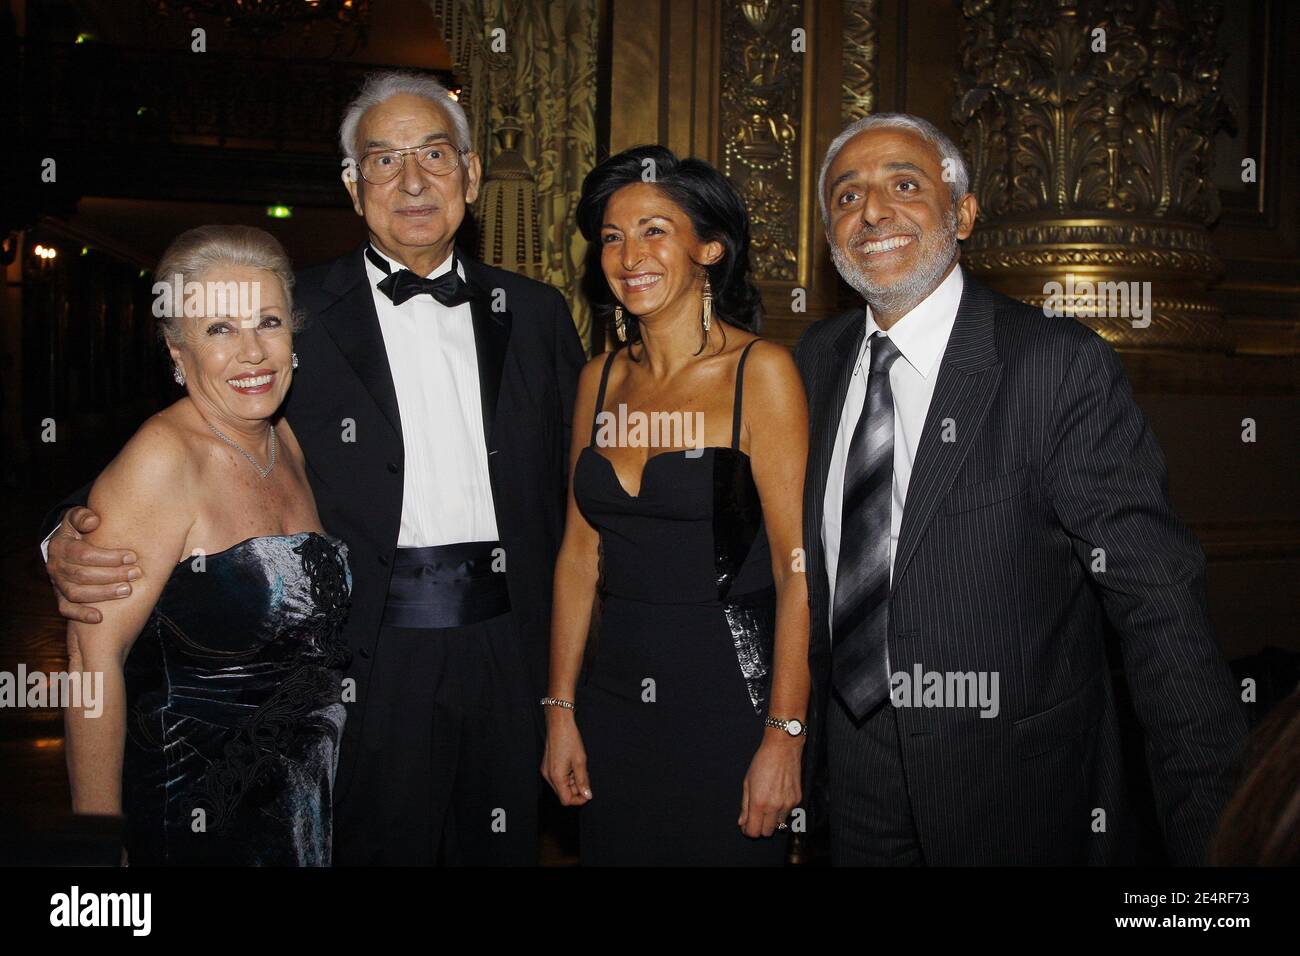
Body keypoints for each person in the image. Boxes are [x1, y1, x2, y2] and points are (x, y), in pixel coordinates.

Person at [44, 70, 586, 865]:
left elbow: (585, 486)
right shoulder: (291, 313)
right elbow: (187, 444)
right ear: (351, 184)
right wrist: (64, 530)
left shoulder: (538, 315)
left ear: (471, 175)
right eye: (383, 159)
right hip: (367, 656)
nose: (411, 180)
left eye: (435, 154)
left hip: (510, 647)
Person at [797, 113, 1247, 865]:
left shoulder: (1056, 365)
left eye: (904, 185)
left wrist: (1221, 839)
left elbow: (1158, 607)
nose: (871, 212)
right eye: (846, 197)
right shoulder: (811, 362)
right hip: (850, 777)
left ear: (964, 213)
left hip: (1013, 785)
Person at [542, 146, 810, 865]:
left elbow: (797, 569)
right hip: (617, 700)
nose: (629, 254)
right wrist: (561, 709)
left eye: (655, 230)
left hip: (727, 698)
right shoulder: (598, 380)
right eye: (611, 236)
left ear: (710, 248)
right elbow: (576, 555)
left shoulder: (763, 372)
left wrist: (785, 734)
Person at [63, 225, 352, 865]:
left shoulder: (286, 442)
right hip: (196, 816)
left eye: (268, 322)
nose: (253, 352)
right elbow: (91, 662)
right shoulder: (164, 459)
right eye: (219, 330)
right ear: (176, 350)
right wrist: (96, 845)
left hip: (303, 803)